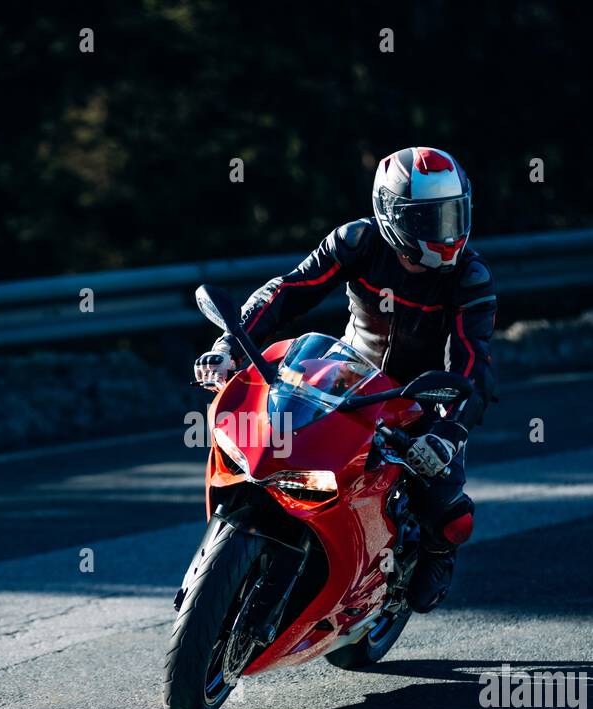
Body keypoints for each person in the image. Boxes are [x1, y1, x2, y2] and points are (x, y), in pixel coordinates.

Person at [193, 146, 497, 612]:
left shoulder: (470, 278)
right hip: (349, 376)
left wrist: (448, 432)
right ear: (392, 213)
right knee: (279, 440)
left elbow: (473, 364)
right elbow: (289, 291)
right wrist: (229, 347)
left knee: (448, 513)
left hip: (424, 395)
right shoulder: (358, 241)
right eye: (429, 219)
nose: (445, 233)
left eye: (452, 216)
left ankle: (435, 553)